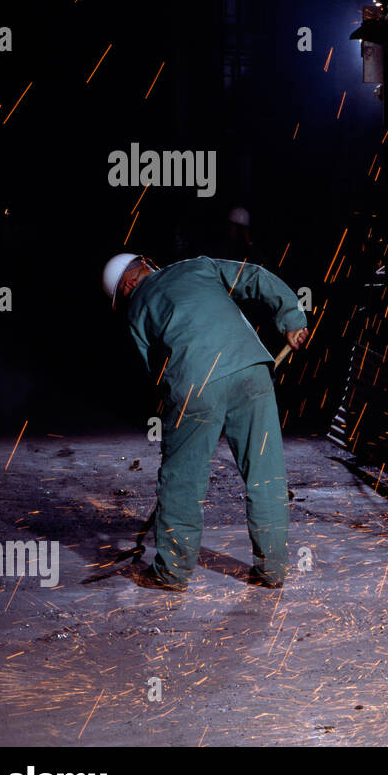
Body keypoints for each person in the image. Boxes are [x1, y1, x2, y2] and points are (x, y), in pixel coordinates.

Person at [101, 253, 309, 592]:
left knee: (183, 479)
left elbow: (155, 371)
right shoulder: (195, 265)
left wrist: (175, 421)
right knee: (265, 472)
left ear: (126, 286)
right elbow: (254, 275)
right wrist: (291, 316)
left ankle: (172, 572)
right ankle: (272, 570)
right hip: (253, 369)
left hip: (196, 382)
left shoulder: (137, 307)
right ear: (146, 263)